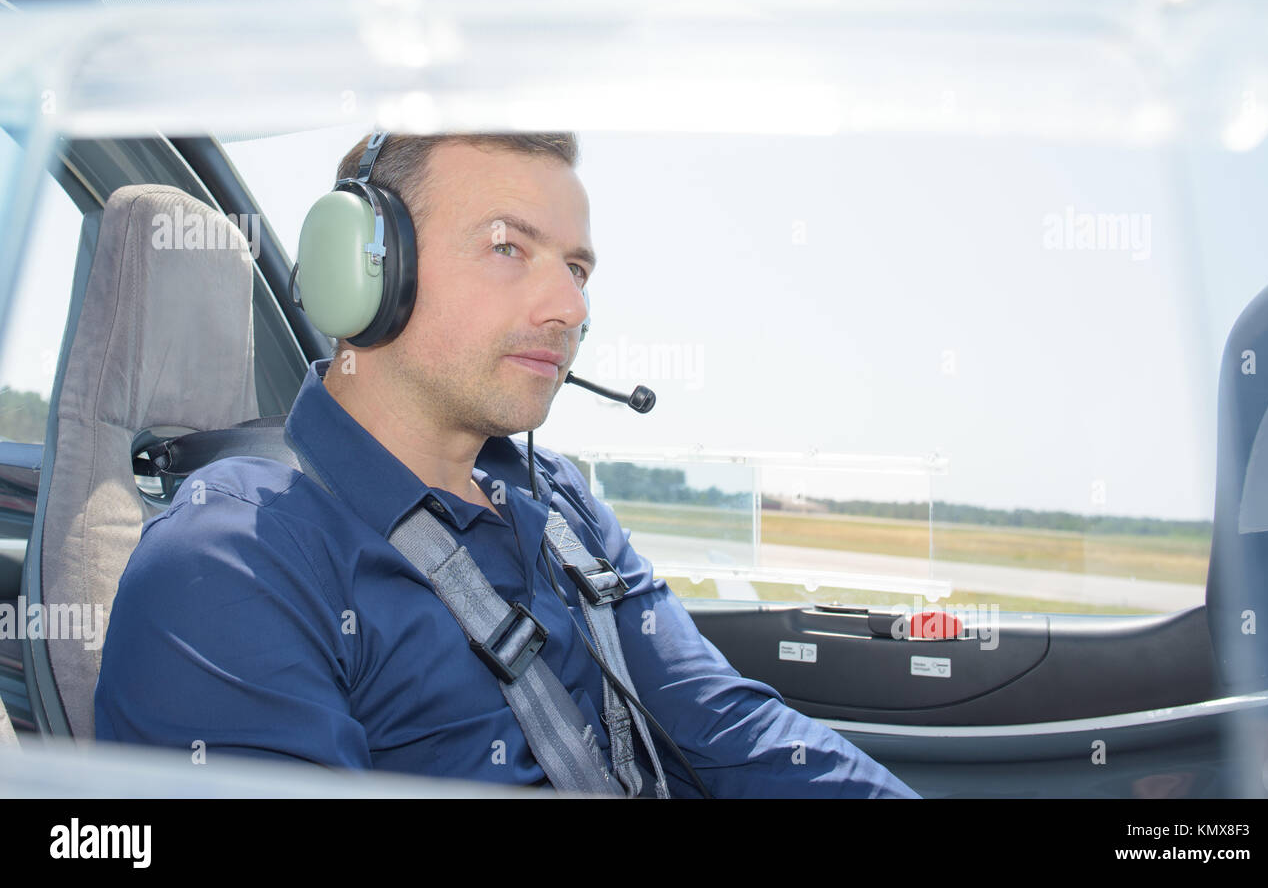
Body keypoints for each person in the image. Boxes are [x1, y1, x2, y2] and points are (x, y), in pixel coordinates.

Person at [94, 131, 920, 798]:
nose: (570, 306)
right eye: (507, 247)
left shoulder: (562, 504)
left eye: (577, 267)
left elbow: (730, 730)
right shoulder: (230, 565)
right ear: (365, 271)